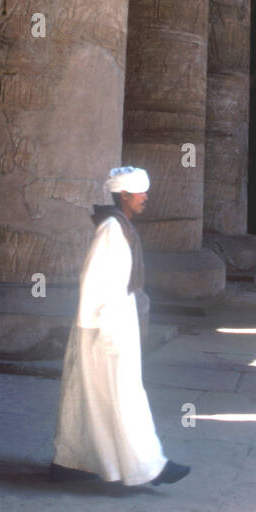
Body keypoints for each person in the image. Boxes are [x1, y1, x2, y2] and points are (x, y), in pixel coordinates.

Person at [51, 165, 190, 487]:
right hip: (106, 327)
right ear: (124, 195)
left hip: (112, 322)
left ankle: (71, 464)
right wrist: (103, 331)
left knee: (96, 395)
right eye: (140, 192)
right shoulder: (111, 230)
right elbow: (94, 282)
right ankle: (147, 467)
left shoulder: (120, 226)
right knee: (122, 395)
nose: (146, 197)